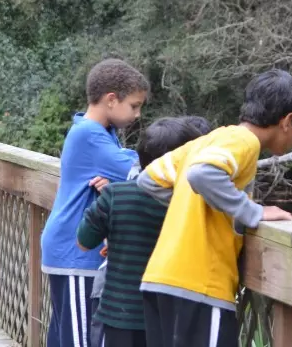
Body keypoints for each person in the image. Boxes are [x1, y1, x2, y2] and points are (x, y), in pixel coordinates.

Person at [137, 69, 292, 347]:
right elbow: (202, 175)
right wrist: (253, 212)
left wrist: (191, 203)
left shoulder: (207, 141)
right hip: (199, 285)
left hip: (160, 280)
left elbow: (147, 180)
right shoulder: (244, 142)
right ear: (287, 121)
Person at [40, 58, 150, 347]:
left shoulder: (100, 133)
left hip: (72, 247)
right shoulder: (90, 134)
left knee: (68, 335)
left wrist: (115, 185)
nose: (137, 114)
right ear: (111, 100)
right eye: (135, 106)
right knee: (81, 339)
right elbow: (148, 169)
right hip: (75, 250)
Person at [76, 116, 212, 347]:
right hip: (168, 316)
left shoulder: (115, 195)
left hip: (117, 315)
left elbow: (84, 241)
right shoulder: (191, 203)